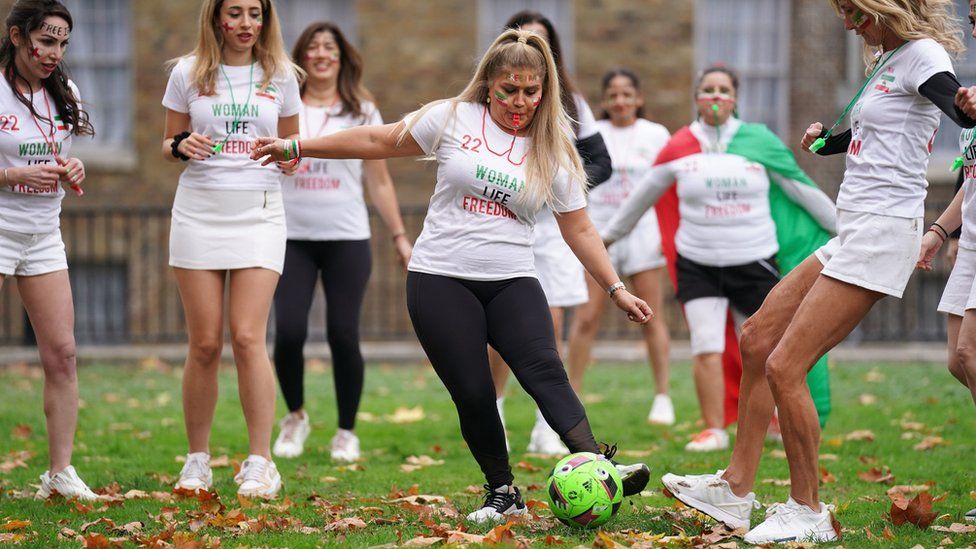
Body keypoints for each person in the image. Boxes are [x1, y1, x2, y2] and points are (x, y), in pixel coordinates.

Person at [252, 28, 652, 523]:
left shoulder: (554, 147)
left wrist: (615, 288)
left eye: (531, 91)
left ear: (545, 90)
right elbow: (378, 139)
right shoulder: (453, 117)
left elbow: (580, 228)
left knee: (545, 370)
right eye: (508, 90)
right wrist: (297, 145)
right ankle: (502, 492)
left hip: (512, 278)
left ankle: (599, 467)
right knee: (473, 390)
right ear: (488, 84)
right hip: (440, 278)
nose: (519, 102)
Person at [661, 0, 976, 543]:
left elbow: (957, 109)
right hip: (854, 229)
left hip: (882, 232)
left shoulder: (923, 55)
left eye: (857, 13)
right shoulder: (887, 59)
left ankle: (807, 509)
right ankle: (735, 490)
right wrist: (827, 141)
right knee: (757, 337)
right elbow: (874, 135)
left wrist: (968, 108)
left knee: (785, 366)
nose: (850, 25)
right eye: (844, 14)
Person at [603, 65, 836, 453]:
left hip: (755, 261)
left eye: (723, 90)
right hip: (698, 264)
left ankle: (771, 421)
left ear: (734, 98)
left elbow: (802, 191)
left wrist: (849, 229)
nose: (715, 97)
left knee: (767, 348)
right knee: (706, 344)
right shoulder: (680, 146)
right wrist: (601, 242)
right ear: (696, 98)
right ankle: (714, 429)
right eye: (708, 90)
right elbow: (639, 201)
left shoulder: (758, 141)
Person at [161, 0, 302, 499]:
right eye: (235, 13)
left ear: (266, 20)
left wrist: (287, 157)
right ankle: (197, 460)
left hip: (259, 213)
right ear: (216, 18)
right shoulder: (187, 72)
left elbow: (294, 147)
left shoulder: (282, 75)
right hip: (198, 211)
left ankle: (261, 461)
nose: (246, 24)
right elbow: (168, 142)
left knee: (246, 337)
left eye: (255, 14)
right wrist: (181, 145)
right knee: (204, 343)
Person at [270, 21, 412, 463]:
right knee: (289, 333)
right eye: (312, 47)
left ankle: (346, 431)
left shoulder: (362, 110)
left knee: (343, 334)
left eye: (329, 47)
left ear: (342, 57)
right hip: (290, 236)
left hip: (347, 237)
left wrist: (399, 236)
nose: (321, 54)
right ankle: (295, 416)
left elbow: (379, 181)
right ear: (300, 58)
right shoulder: (283, 105)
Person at [489, 9, 618, 456]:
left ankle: (547, 425)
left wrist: (558, 191)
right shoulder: (489, 101)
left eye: (539, 41)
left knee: (552, 323)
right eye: (521, 38)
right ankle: (495, 410)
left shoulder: (570, 103)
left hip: (552, 231)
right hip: (504, 223)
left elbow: (602, 162)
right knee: (500, 326)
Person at [0, 0, 94, 500]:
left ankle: (59, 475)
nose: (55, 52)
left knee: (62, 354)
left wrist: (72, 168)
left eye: (63, 43)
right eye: (46, 41)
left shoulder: (65, 93)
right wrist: (12, 175)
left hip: (42, 234)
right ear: (17, 36)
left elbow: (59, 159)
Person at [568, 68, 673, 429]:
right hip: (599, 232)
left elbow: (667, 184)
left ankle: (662, 396)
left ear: (639, 99)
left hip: (642, 232)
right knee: (586, 317)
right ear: (604, 100)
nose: (620, 101)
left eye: (627, 94)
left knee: (651, 315)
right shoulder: (593, 132)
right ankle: (573, 394)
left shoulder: (655, 134)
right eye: (613, 95)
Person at [916, 0, 976, 524]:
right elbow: (971, 178)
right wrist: (941, 231)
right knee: (958, 362)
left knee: (971, 354)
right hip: (971, 240)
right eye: (973, 20)